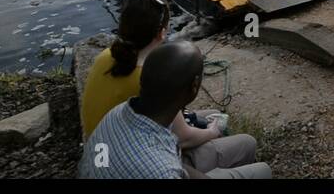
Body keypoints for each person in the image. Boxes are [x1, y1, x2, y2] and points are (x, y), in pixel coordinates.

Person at [79, 41, 272, 179]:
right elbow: (165, 169)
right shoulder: (163, 172)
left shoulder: (119, 112)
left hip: (163, 162)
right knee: (263, 170)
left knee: (248, 143)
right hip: (161, 167)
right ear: (194, 86)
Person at [80, 0, 171, 139]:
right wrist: (214, 131)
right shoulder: (148, 79)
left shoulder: (106, 55)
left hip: (95, 146)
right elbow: (182, 136)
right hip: (121, 157)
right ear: (161, 33)